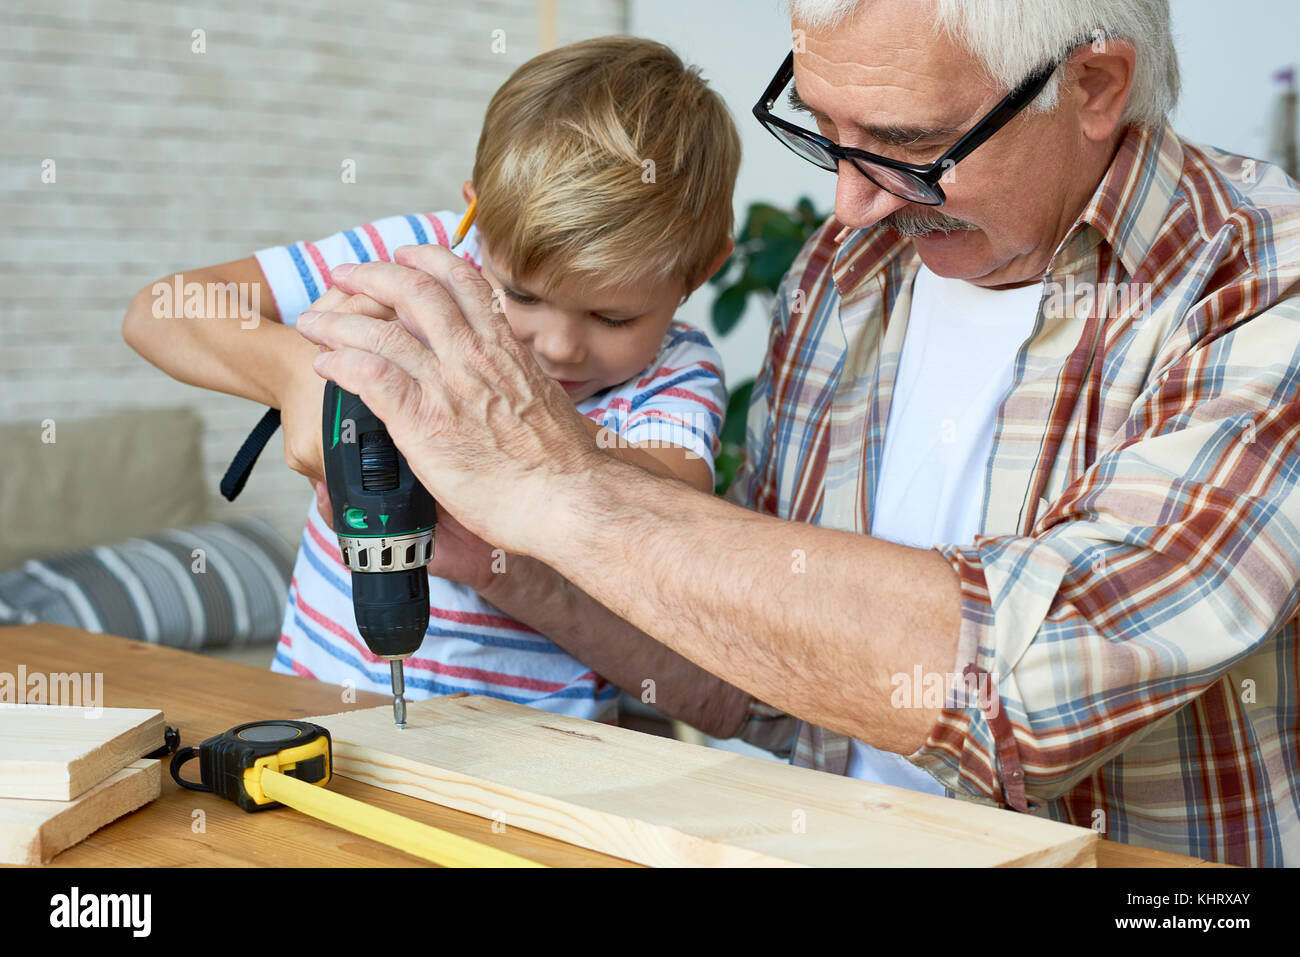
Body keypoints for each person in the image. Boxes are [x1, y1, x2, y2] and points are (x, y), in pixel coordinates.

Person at [286, 0, 1300, 867]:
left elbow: (1037, 690)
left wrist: (564, 483)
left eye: (904, 145)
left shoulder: (1257, 282)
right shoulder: (846, 274)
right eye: (821, 127)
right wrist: (505, 559)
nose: (848, 203)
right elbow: (759, 685)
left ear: (1091, 86)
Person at [122, 36, 738, 722]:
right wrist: (299, 372)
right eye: (522, 296)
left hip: (538, 760)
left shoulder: (676, 369)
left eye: (613, 316)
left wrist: (514, 435)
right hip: (315, 705)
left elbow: (679, 507)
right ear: (476, 216)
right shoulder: (422, 264)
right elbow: (161, 309)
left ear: (701, 267)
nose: (560, 347)